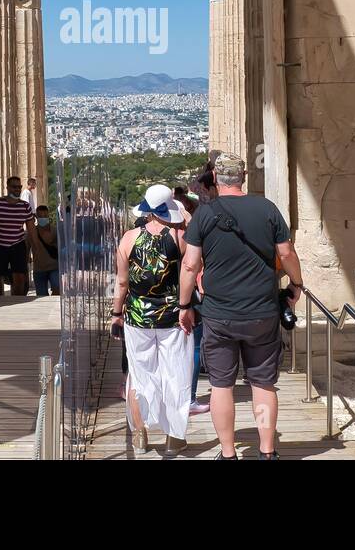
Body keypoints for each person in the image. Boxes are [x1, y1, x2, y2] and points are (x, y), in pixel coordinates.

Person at [178, 152, 304, 460]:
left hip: (220, 313)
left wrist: (184, 304)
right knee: (263, 383)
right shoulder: (267, 209)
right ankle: (267, 450)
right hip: (262, 310)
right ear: (244, 177)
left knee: (221, 386)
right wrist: (296, 285)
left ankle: (228, 452)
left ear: (216, 179)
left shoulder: (205, 215)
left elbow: (190, 265)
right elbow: (286, 253)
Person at [112, 184, 193, 457]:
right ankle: (173, 438)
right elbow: (192, 269)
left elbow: (122, 283)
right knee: (175, 374)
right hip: (173, 316)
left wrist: (115, 315)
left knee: (139, 375)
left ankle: (139, 436)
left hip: (136, 316)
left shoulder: (128, 238)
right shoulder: (180, 235)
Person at [175, 185, 209, 417]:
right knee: (194, 347)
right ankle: (189, 397)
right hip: (188, 300)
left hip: (158, 304)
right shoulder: (189, 239)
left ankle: (168, 398)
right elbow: (194, 266)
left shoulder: (139, 237)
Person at [0, 175, 35, 296]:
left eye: (19, 187)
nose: (17, 189)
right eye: (14, 187)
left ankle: (16, 302)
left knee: (20, 277)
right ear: (7, 188)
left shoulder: (25, 206)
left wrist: (36, 248)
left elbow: (32, 230)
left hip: (17, 244)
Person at [30, 205, 61, 296]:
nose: (43, 218)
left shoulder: (55, 231)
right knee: (41, 296)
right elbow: (26, 248)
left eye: (45, 216)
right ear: (36, 217)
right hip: (39, 269)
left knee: (57, 290)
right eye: (40, 216)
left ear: (48, 216)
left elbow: (61, 248)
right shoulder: (32, 232)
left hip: (54, 267)